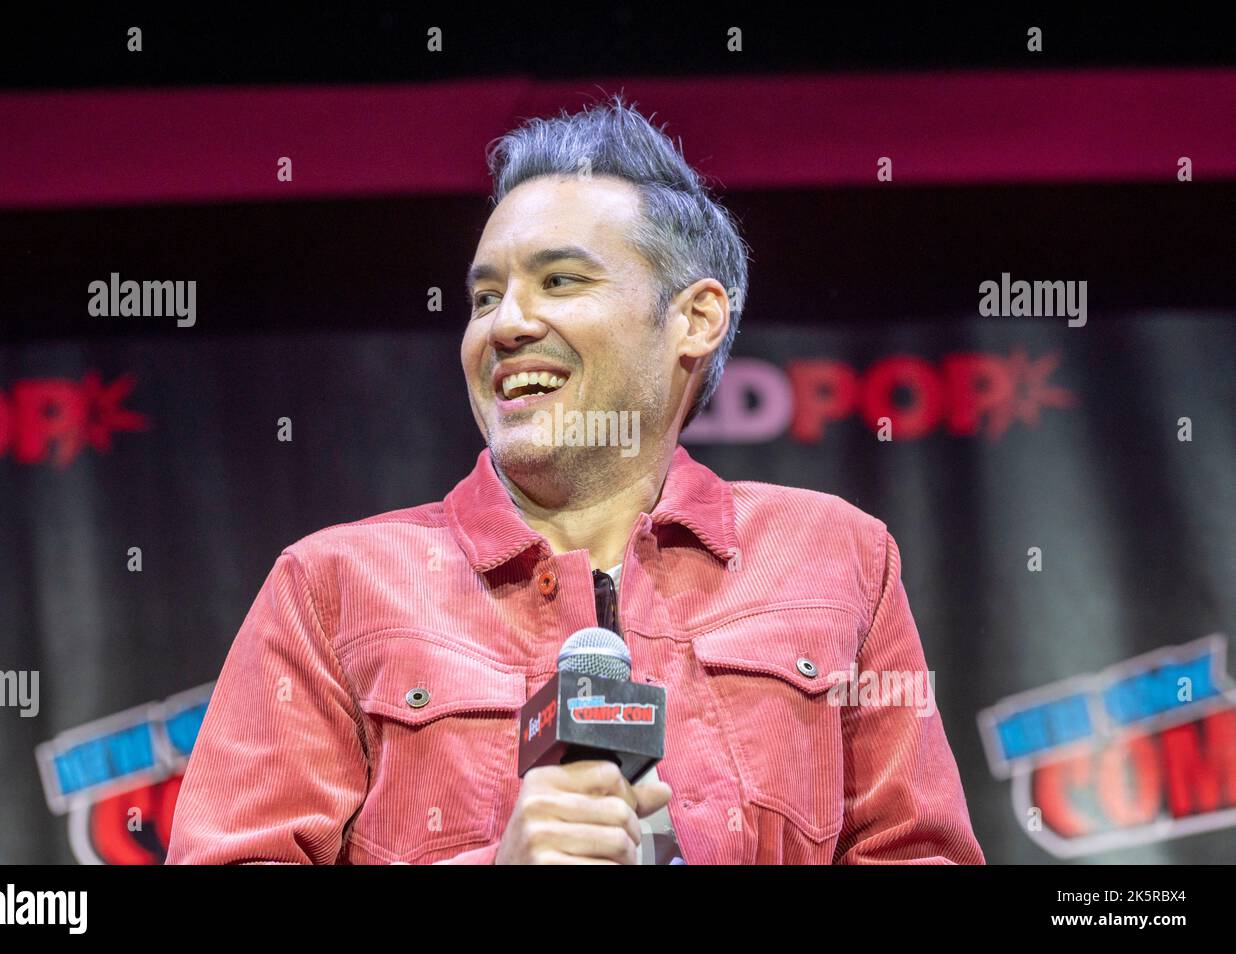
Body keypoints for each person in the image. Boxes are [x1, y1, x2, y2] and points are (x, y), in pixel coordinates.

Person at [166, 94, 984, 865]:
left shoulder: (837, 558)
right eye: (486, 296)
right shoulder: (332, 586)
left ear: (694, 319)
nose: (507, 324)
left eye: (560, 281)